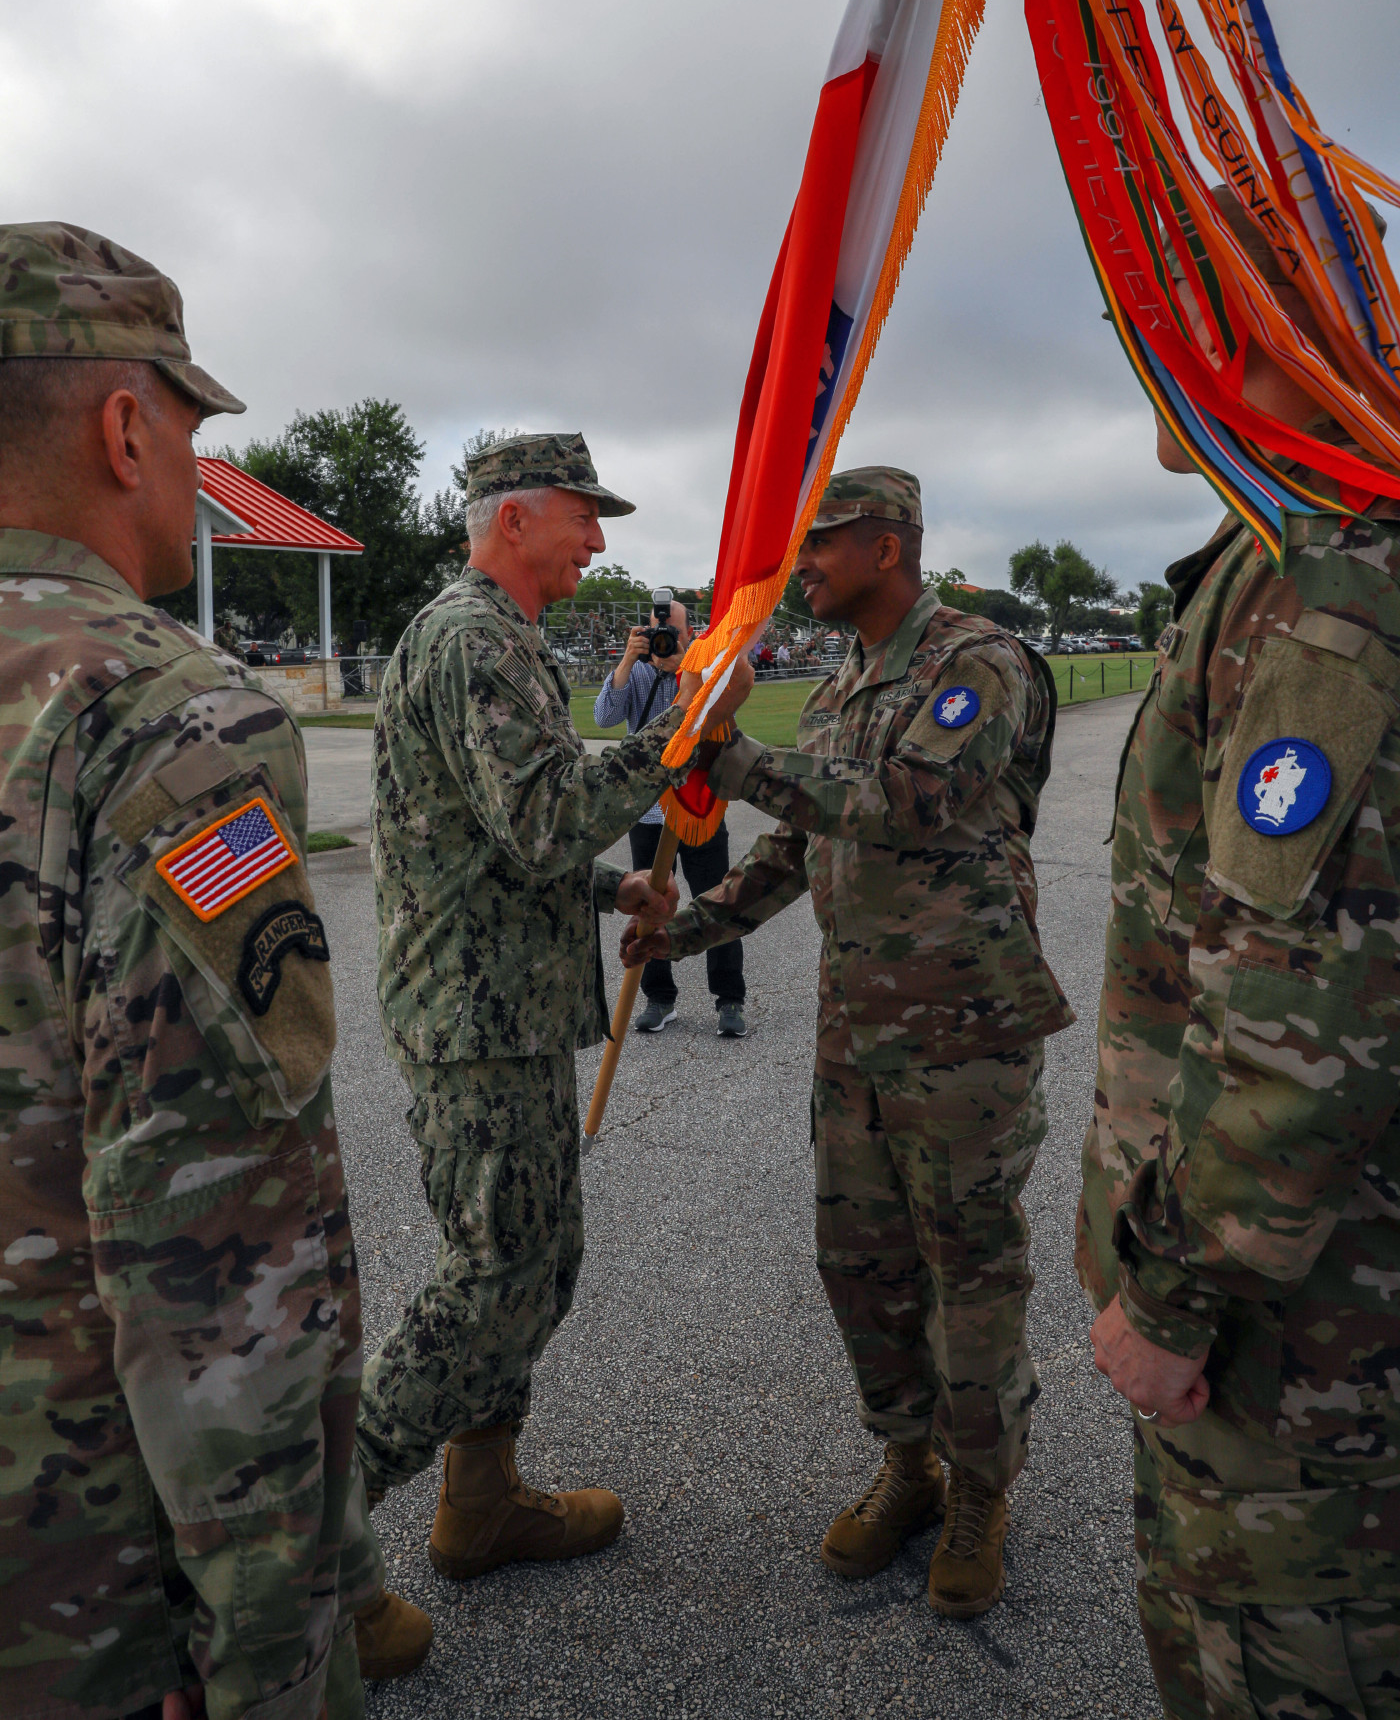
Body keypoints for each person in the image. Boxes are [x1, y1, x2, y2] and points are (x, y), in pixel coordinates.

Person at [0, 223, 429, 1720]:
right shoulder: (166, 716)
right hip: (74, 1556)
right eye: (188, 423)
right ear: (127, 427)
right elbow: (215, 1246)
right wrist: (263, 1640)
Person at [622, 467, 1073, 1617]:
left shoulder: (976, 660)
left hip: (963, 1025)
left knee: (964, 1267)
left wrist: (728, 757)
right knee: (858, 1262)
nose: (797, 568)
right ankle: (907, 1464)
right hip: (855, 1023)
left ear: (886, 547)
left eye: (815, 546)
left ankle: (980, 1492)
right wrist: (690, 930)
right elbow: (802, 845)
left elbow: (907, 801)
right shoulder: (840, 681)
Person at [1078, 188, 1400, 1717]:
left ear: (1241, 313)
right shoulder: (1290, 553)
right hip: (1312, 1315)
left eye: (1147, 296)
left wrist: (1174, 1299)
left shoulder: (1327, 584)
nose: (1136, 341)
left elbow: (1302, 1018)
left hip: (1300, 1350)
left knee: (1269, 1666)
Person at [355, 433, 753, 1580]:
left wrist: (610, 883)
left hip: (498, 1014)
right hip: (474, 1025)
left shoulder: (497, 635)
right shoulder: (474, 637)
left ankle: (479, 1503)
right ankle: (312, 1543)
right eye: (584, 515)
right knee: (495, 1272)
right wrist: (674, 736)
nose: (598, 539)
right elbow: (537, 815)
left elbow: (478, 836)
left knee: (536, 1261)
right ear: (512, 518)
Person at [593, 594, 748, 1037]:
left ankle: (729, 999)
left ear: (689, 632)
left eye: (674, 634)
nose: (664, 640)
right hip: (649, 812)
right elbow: (604, 718)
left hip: (697, 807)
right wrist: (627, 660)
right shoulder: (637, 670)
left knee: (716, 901)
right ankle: (660, 998)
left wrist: (685, 667)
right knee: (649, 906)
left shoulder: (704, 667)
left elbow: (725, 713)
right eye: (657, 633)